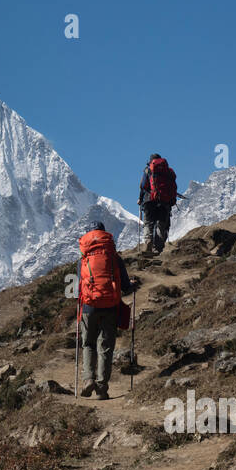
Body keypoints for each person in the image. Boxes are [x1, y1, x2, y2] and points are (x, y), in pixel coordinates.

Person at [77, 222, 136, 401]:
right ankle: (102, 388)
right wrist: (132, 285)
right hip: (110, 306)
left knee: (88, 344)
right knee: (106, 347)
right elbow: (125, 286)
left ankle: (88, 379)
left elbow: (75, 287)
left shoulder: (83, 259)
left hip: (89, 307)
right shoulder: (114, 257)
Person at [137, 153, 178, 255]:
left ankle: (148, 245)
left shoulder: (148, 170)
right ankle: (158, 249)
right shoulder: (168, 172)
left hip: (149, 200)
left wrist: (140, 198)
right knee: (161, 225)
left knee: (148, 224)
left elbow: (143, 186)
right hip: (164, 202)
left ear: (151, 161)